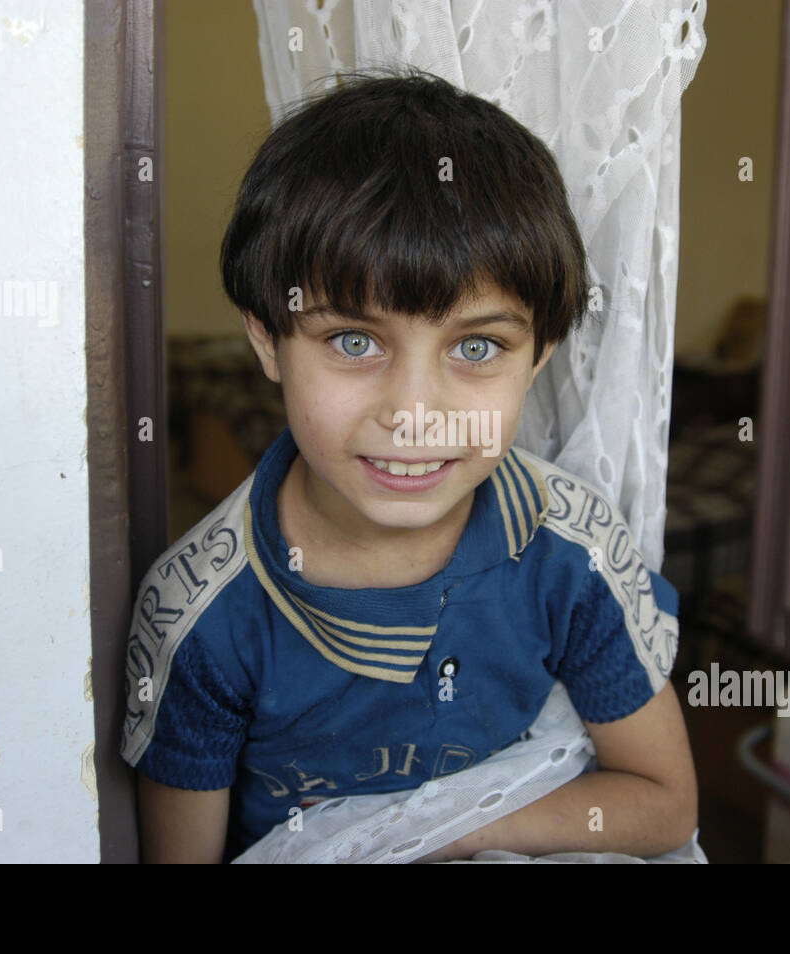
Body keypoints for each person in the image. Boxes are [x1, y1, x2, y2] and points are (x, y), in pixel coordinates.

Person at [119, 67, 698, 863]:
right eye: (353, 342)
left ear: (537, 359)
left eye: (477, 347)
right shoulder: (204, 617)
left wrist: (430, 836)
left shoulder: (572, 550)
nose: (416, 413)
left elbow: (664, 806)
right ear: (267, 342)